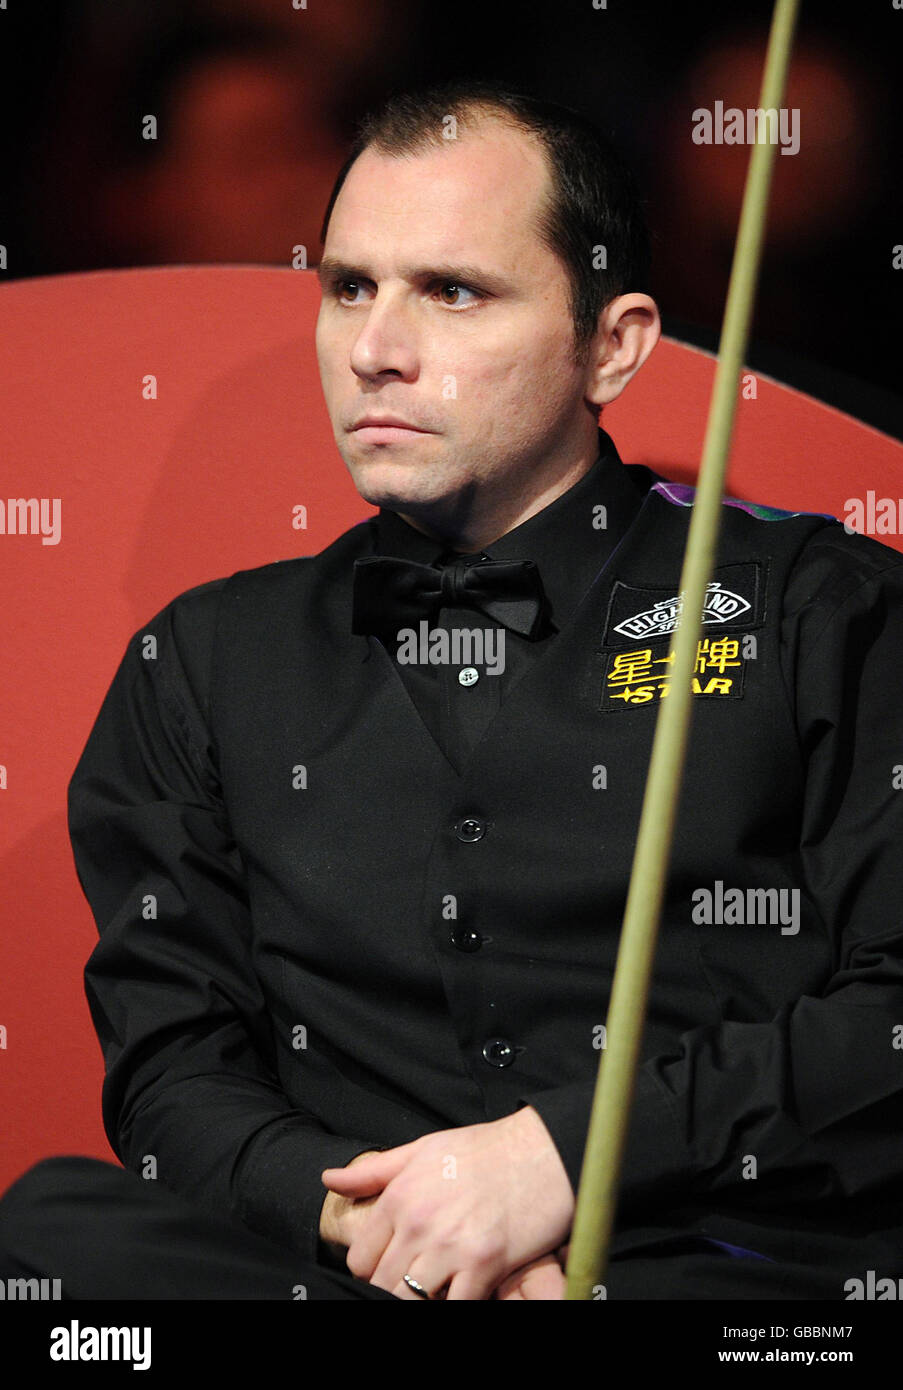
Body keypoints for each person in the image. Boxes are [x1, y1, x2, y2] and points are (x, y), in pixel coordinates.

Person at [4, 79, 903, 1302]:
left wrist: (564, 1162)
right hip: (357, 1277)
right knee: (54, 1229)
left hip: (723, 1277)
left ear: (613, 345)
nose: (374, 347)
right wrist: (388, 1225)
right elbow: (174, 1082)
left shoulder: (818, 610)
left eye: (453, 291)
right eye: (349, 287)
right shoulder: (203, 663)